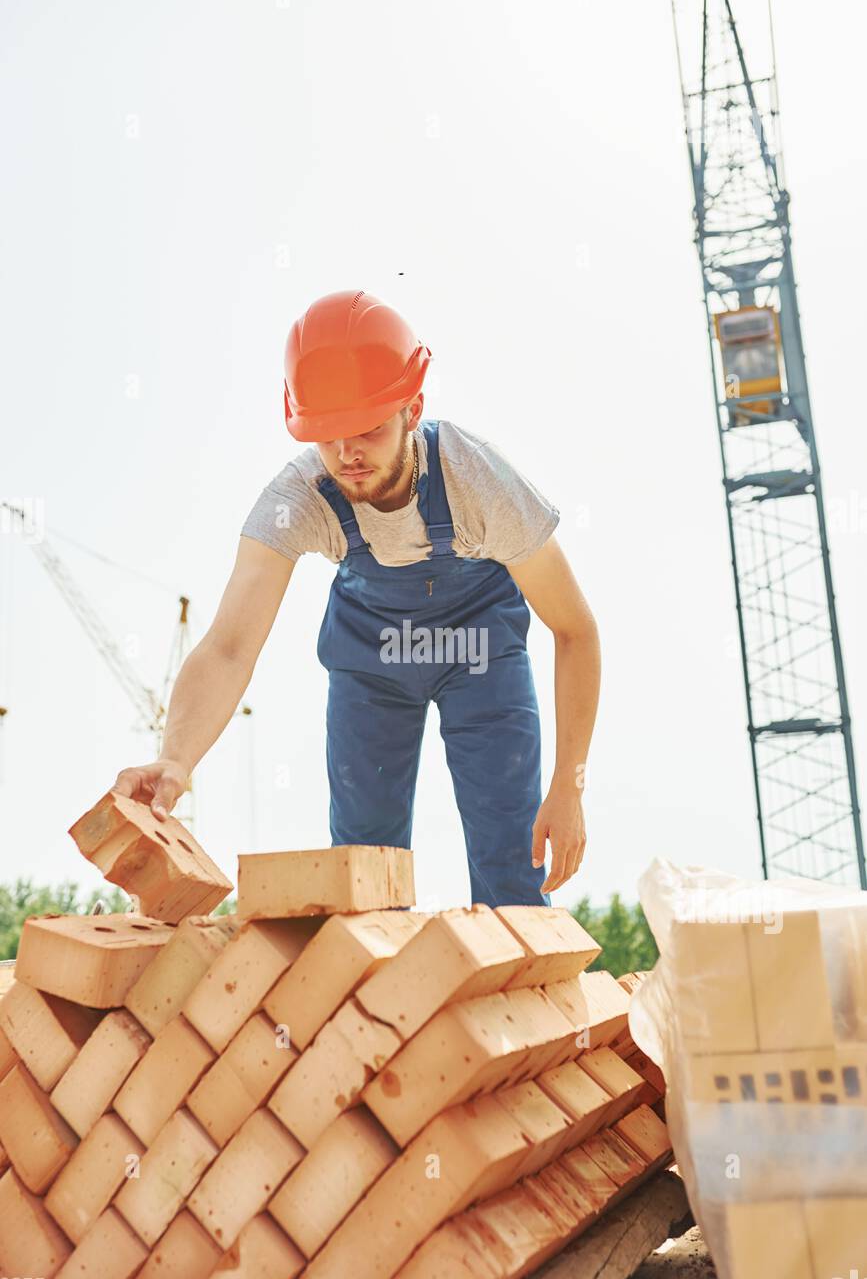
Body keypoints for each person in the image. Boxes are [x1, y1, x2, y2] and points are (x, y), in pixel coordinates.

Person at [113, 290, 600, 907]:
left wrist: (569, 784)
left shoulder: (481, 483)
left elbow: (575, 631)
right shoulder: (298, 500)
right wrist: (177, 761)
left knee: (512, 860)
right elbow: (230, 646)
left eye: (368, 427)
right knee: (364, 872)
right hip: (374, 658)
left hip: (479, 652)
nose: (348, 454)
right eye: (326, 434)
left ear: (411, 408)